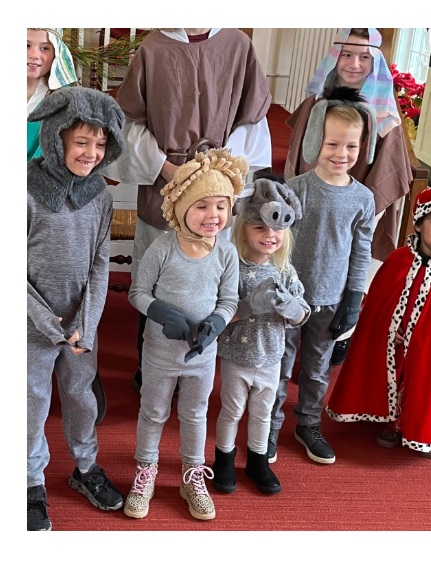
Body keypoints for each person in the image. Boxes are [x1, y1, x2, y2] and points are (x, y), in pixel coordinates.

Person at [101, 28, 271, 394]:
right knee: (157, 276)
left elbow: (252, 120)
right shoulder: (154, 46)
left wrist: (218, 171)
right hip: (166, 181)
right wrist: (168, 170)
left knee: (207, 278)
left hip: (216, 188)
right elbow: (131, 122)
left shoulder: (238, 46)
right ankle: (149, 367)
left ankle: (198, 364)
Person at [25, 87, 127, 530]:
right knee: (31, 403)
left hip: (82, 327)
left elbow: (101, 263)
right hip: (31, 325)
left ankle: (85, 468)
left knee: (81, 399)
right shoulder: (23, 191)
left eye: (100, 144)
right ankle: (30, 481)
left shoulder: (100, 195)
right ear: (56, 137)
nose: (91, 153)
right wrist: (47, 323)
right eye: (81, 141)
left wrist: (87, 322)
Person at [326, 181, 431, 460]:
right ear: (420, 224)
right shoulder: (397, 260)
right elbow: (377, 307)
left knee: (427, 380)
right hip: (394, 342)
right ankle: (389, 420)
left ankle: (425, 429)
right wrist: (390, 328)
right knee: (390, 370)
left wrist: (422, 336)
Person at [125, 148, 244, 520]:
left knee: (195, 414)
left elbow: (229, 300)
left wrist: (217, 323)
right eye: (202, 206)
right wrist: (161, 313)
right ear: (180, 208)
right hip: (160, 355)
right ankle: (145, 471)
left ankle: (192, 476)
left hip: (202, 358)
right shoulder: (162, 247)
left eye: (221, 206)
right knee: (153, 412)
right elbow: (137, 292)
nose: (213, 215)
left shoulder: (226, 253)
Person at [276, 90, 379, 466]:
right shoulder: (296, 189)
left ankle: (308, 423)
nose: (341, 153)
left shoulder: (363, 199)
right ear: (316, 140)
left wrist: (353, 297)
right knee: (280, 362)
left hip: (331, 299)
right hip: (290, 297)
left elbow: (361, 251)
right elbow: (276, 244)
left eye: (351, 146)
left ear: (362, 147)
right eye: (333, 143)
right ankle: (269, 423)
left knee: (318, 368)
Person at [283, 28, 413, 261]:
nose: (354, 64)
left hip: (351, 223)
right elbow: (295, 157)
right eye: (347, 54)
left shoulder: (384, 116)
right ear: (335, 56)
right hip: (308, 206)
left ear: (375, 62)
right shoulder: (316, 101)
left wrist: (359, 230)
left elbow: (384, 180)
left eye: (364, 57)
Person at [214, 178, 307, 496]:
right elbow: (219, 315)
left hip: (271, 357)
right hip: (236, 357)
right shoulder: (232, 268)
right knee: (231, 411)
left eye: (276, 229)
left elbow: (302, 314)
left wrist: (290, 306)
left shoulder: (285, 272)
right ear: (244, 231)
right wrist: (249, 305)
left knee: (263, 413)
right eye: (259, 228)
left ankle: (258, 461)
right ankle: (224, 460)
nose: (269, 235)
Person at [26, 28, 78, 159]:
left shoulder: (65, 100)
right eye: (26, 45)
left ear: (56, 53)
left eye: (44, 48)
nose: (34, 55)